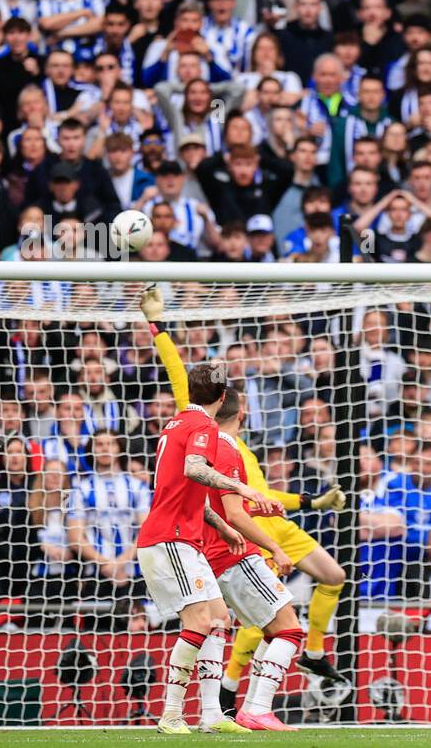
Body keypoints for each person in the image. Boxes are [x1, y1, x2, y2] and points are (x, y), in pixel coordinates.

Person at [141, 288, 350, 708]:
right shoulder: (206, 435)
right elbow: (179, 376)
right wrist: (158, 327)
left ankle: (302, 658)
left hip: (267, 530)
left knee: (329, 579)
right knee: (260, 620)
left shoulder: (236, 448)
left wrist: (308, 504)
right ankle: (234, 695)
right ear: (235, 407)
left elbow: (263, 495)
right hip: (241, 536)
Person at [135, 358, 283, 735]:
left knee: (219, 617)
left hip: (181, 537)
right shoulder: (202, 425)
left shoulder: (175, 424)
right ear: (222, 396)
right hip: (170, 538)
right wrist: (242, 487)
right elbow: (195, 470)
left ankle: (212, 714)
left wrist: (223, 526)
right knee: (201, 621)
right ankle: (170, 714)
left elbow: (191, 495)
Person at [204, 385, 306, 732]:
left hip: (213, 556)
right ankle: (257, 708)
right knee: (290, 630)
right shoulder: (229, 450)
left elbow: (226, 506)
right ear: (242, 415)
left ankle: (245, 709)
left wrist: (263, 506)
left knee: (269, 630)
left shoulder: (203, 448)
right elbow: (233, 514)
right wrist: (276, 548)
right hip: (234, 555)